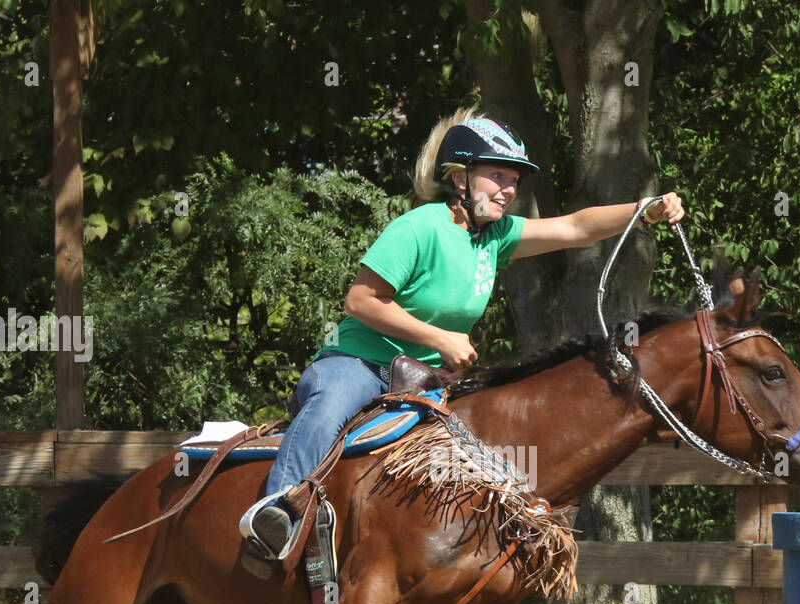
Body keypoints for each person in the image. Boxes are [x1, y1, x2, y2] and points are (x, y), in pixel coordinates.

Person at [240, 107, 684, 560]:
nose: (508, 189)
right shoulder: (416, 228)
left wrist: (643, 211)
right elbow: (360, 301)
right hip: (357, 364)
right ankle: (275, 516)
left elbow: (575, 227)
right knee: (328, 408)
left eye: (514, 180)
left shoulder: (496, 235)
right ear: (460, 179)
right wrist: (440, 338)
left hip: (427, 383)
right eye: (498, 176)